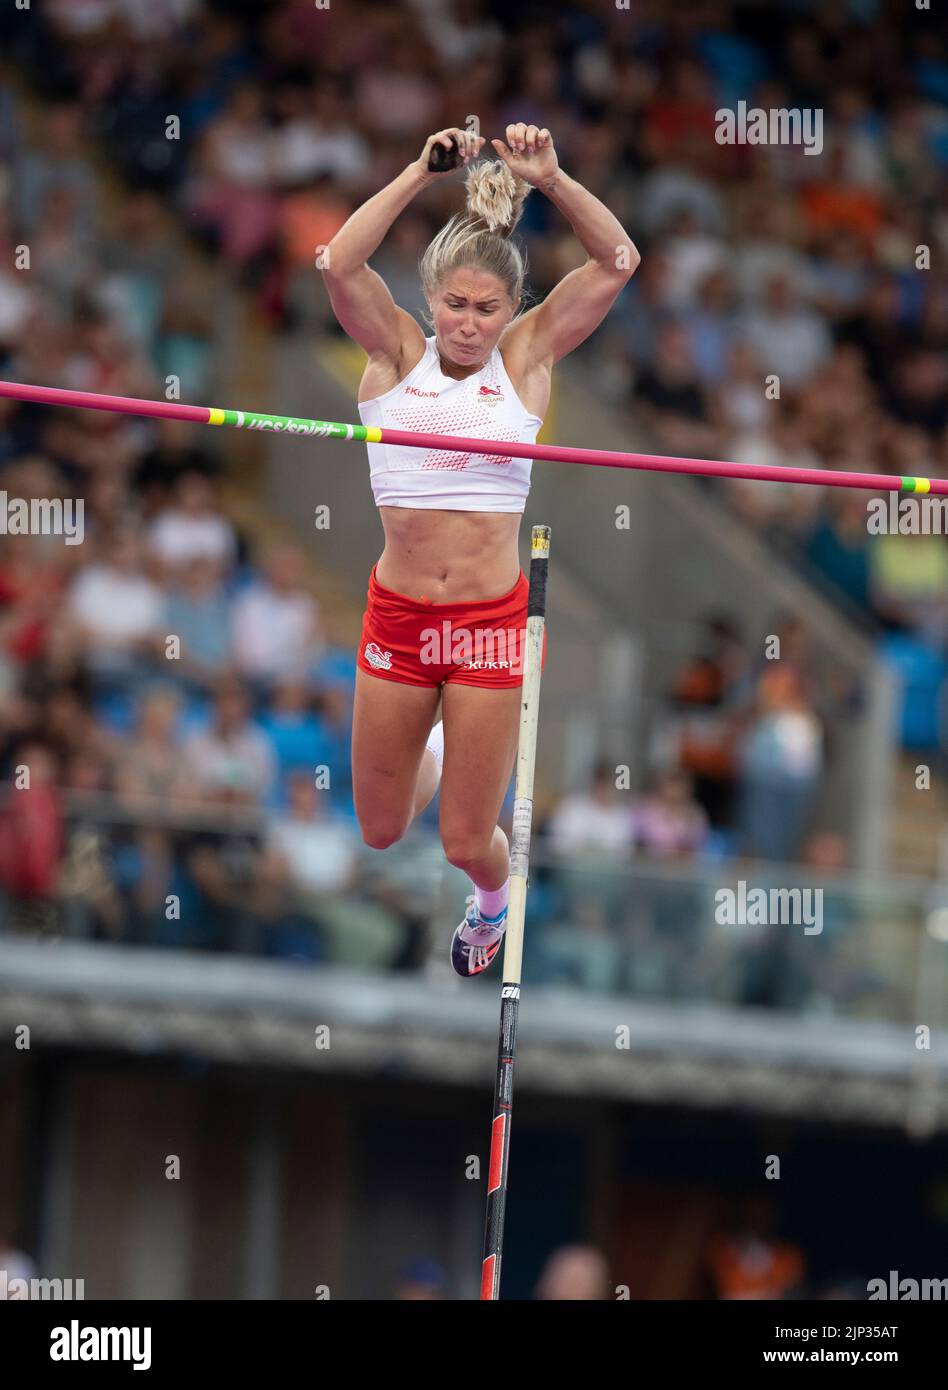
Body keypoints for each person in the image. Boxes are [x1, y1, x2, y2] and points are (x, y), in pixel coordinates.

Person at [322, 123, 639, 977]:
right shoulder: (393, 358)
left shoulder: (526, 359)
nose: (469, 325)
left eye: (487, 309)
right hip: (399, 618)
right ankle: (431, 745)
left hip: (488, 625)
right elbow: (339, 267)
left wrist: (556, 179)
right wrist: (415, 175)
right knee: (381, 829)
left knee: (468, 840)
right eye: (455, 306)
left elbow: (617, 263)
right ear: (431, 302)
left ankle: (494, 906)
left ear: (510, 311)